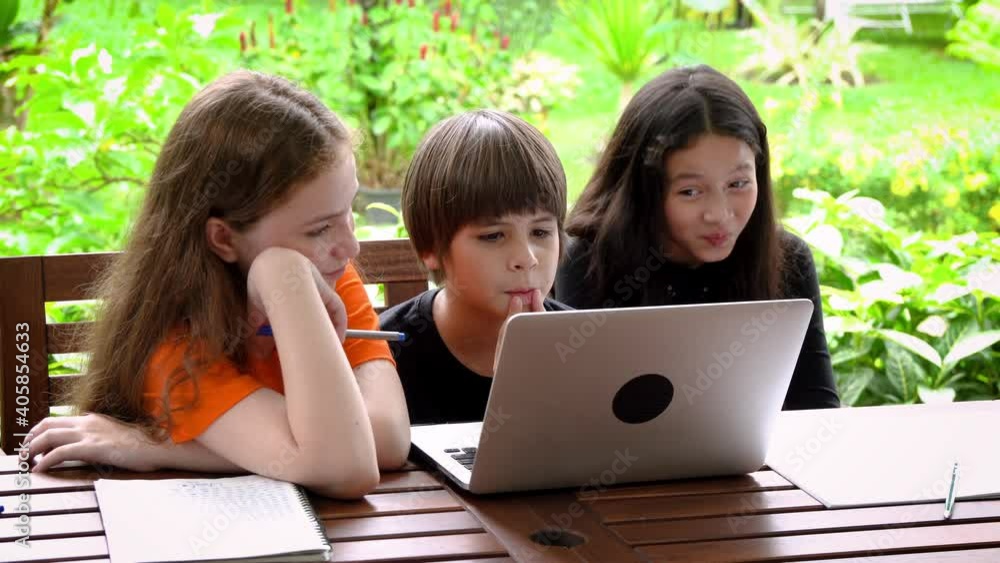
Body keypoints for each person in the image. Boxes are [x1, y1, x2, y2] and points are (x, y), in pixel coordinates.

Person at [26, 71, 411, 498]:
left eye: (348, 210)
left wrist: (166, 447)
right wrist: (280, 274)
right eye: (320, 228)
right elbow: (347, 466)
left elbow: (389, 439)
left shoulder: (331, 272)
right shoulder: (175, 341)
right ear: (224, 238)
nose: (350, 246)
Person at [555, 65, 840, 410]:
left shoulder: (786, 258)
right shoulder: (588, 259)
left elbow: (816, 407)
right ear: (644, 190)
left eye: (738, 184)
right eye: (691, 191)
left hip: (753, 464)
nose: (719, 214)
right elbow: (583, 416)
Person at [380, 110, 571, 425]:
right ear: (430, 249)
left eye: (540, 232)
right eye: (494, 236)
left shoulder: (588, 347)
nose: (527, 257)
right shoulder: (384, 355)